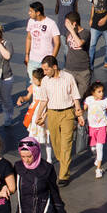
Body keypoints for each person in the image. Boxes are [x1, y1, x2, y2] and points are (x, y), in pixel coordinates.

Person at [40, 56, 84, 187]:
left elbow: (75, 96)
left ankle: (63, 174)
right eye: (43, 70)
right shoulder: (45, 81)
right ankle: (63, 161)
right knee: (56, 143)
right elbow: (43, 100)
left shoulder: (68, 77)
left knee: (66, 144)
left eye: (46, 69)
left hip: (67, 113)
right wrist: (39, 115)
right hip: (52, 113)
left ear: (54, 67)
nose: (44, 72)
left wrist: (79, 114)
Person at [24, 2, 61, 79]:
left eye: (31, 11)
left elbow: (57, 43)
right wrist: (27, 54)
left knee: (46, 83)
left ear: (38, 13)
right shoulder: (30, 21)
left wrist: (51, 59)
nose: (29, 13)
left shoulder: (51, 24)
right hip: (33, 60)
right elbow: (28, 38)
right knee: (32, 84)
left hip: (46, 62)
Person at [83, 81, 107, 178]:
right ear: (93, 92)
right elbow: (84, 109)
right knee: (93, 147)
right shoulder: (89, 99)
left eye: (102, 91)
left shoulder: (106, 100)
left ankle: (98, 169)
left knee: (100, 147)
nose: (102, 93)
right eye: (99, 91)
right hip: (92, 127)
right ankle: (96, 157)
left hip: (102, 127)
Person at [62, 10, 92, 101]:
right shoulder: (68, 33)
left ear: (74, 24)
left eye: (67, 24)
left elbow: (79, 43)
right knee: (68, 96)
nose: (65, 26)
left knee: (80, 96)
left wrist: (71, 30)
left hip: (83, 71)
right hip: (69, 68)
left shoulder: (85, 33)